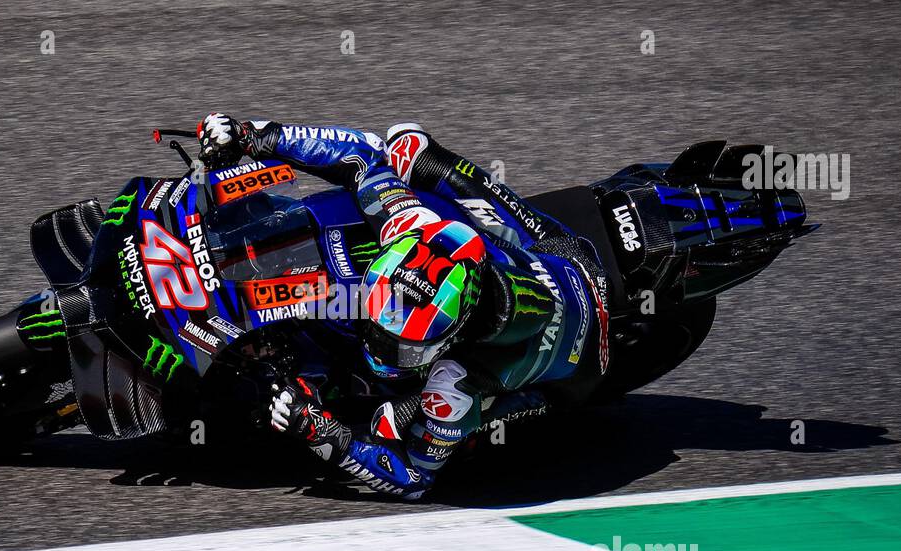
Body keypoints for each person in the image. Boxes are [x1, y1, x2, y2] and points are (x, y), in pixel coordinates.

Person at [197, 113, 610, 499]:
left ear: (454, 333)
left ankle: (482, 424)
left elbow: (415, 479)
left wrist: (328, 435)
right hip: (559, 258)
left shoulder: (455, 383)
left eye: (401, 343)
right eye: (379, 324)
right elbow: (361, 153)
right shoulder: (412, 228)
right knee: (406, 145)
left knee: (391, 421)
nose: (378, 345)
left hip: (579, 364)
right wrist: (255, 137)